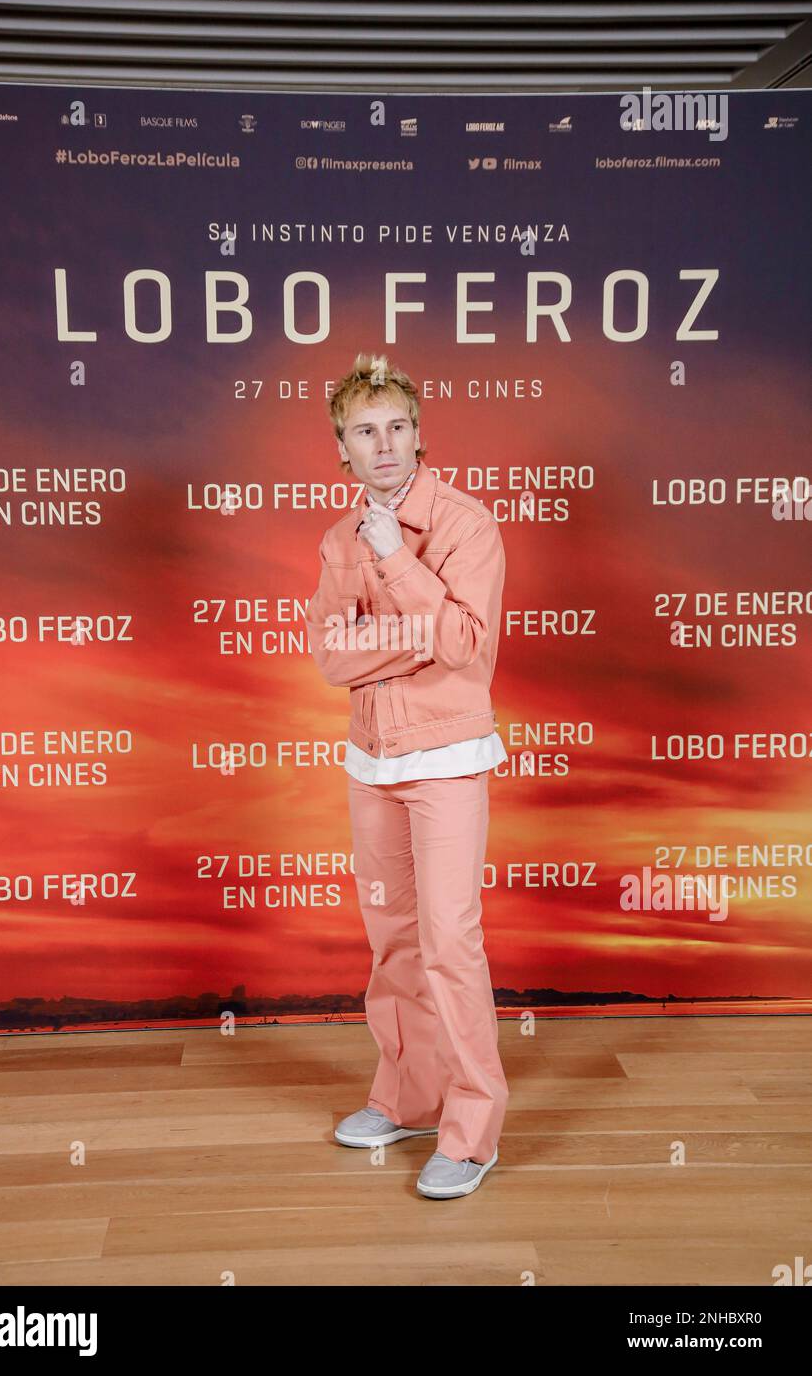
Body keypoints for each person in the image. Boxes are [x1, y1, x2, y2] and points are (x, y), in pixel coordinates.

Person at [305, 351, 509, 1199]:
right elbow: (327, 654)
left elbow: (467, 645)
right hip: (372, 760)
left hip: (449, 760)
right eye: (364, 432)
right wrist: (414, 634)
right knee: (391, 942)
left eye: (396, 428)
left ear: (419, 436)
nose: (382, 445)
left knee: (449, 944)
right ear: (341, 448)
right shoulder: (333, 537)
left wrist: (394, 564)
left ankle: (471, 1132)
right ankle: (409, 1096)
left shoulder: (467, 526)